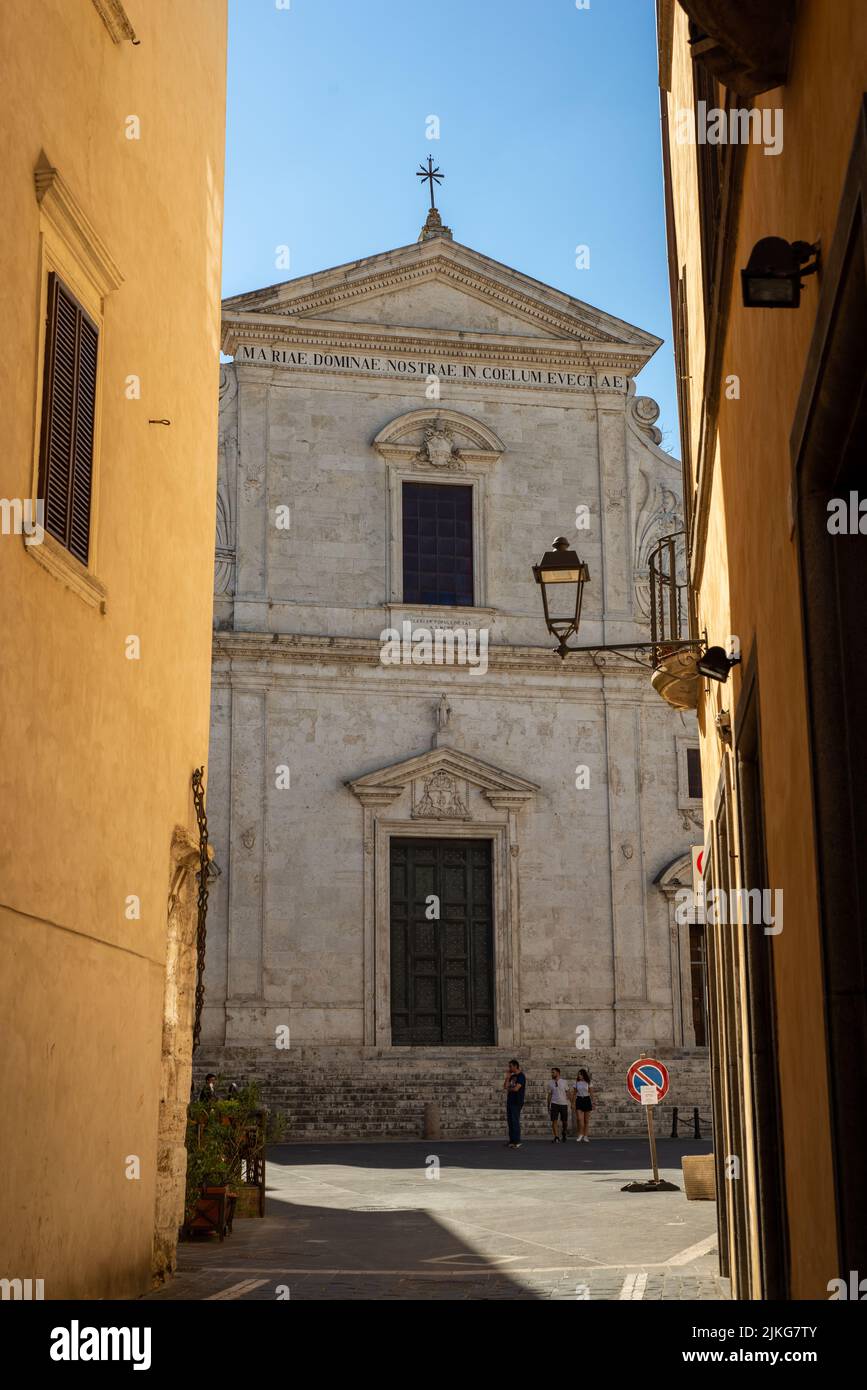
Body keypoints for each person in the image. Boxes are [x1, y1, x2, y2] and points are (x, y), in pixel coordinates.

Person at [503, 1059, 526, 1148]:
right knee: (510, 1121)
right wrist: (507, 1077)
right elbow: (505, 1086)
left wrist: (509, 1089)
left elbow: (516, 1088)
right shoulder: (512, 1076)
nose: (509, 1068)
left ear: (515, 1066)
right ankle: (512, 1140)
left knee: (515, 1121)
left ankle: (517, 1141)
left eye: (510, 1066)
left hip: (517, 1101)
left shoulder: (521, 1076)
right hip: (510, 1101)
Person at [546, 1066, 570, 1142]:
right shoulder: (550, 1083)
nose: (552, 1074)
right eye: (551, 1072)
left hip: (563, 1103)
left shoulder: (564, 1082)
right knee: (554, 1120)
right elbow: (550, 1094)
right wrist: (548, 1104)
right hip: (554, 1103)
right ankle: (556, 1137)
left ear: (558, 1073)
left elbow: (568, 1092)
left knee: (564, 1121)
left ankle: (564, 1132)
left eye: (553, 1072)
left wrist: (570, 1102)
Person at [572, 1068, 594, 1142]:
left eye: (580, 1074)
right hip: (579, 1100)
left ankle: (585, 1136)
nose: (579, 1076)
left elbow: (591, 1093)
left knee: (586, 1120)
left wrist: (593, 1102)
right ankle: (580, 1134)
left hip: (587, 1100)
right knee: (579, 1119)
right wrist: (572, 1103)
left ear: (584, 1075)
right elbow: (574, 1093)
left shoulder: (589, 1082)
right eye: (578, 1074)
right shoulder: (576, 1083)